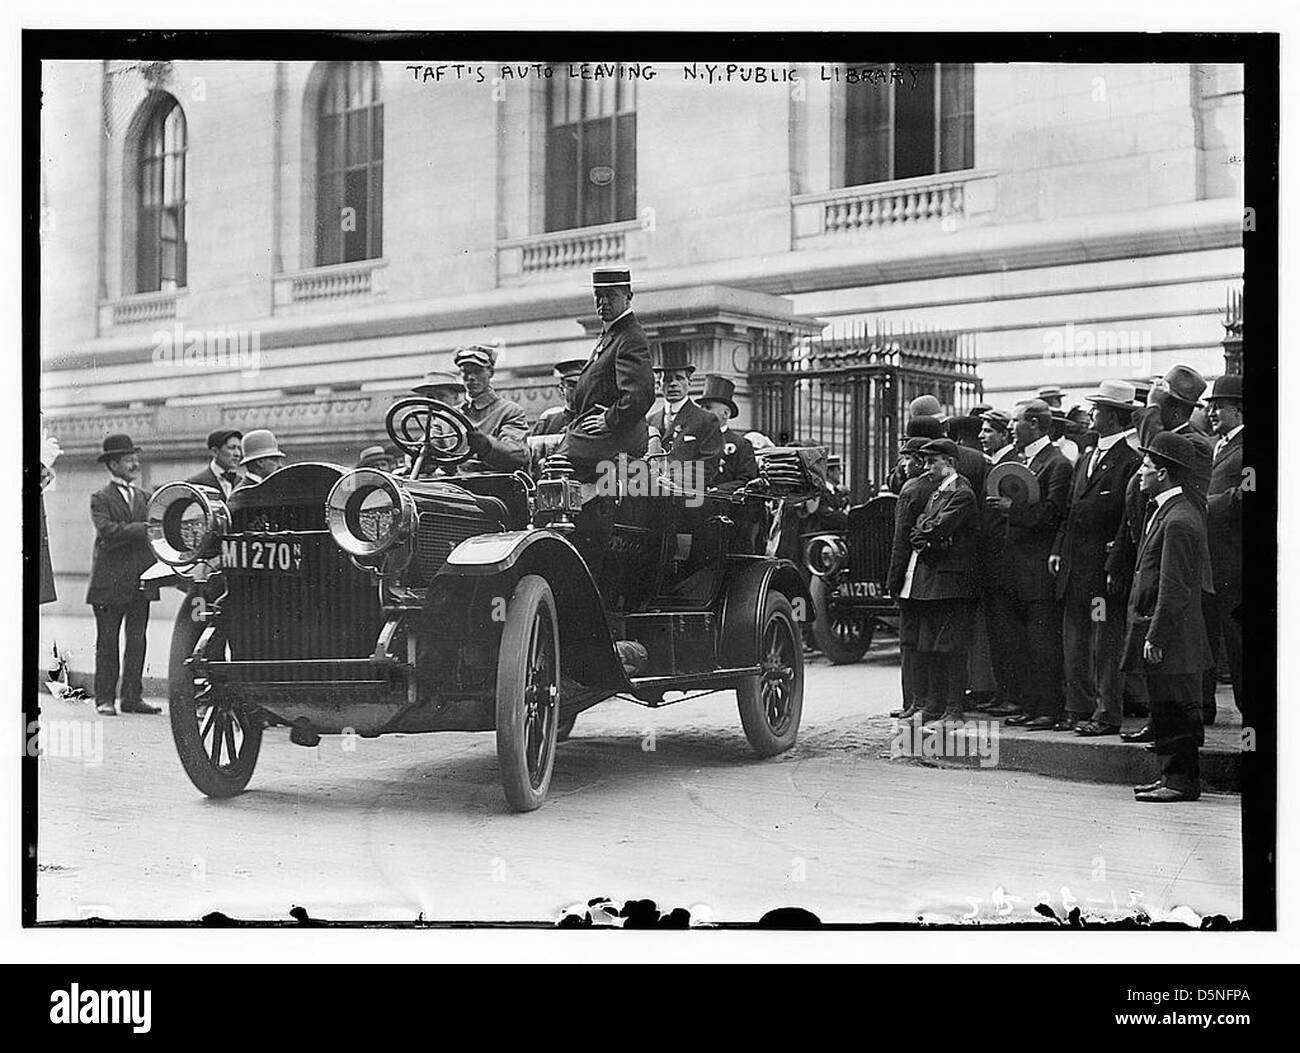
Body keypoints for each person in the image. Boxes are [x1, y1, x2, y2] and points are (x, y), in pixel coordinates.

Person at [1123, 432, 1214, 802]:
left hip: (1173, 635)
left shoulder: (1177, 519)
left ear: (1162, 473)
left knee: (1177, 708)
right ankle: (1170, 778)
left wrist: (1156, 637)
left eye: (1146, 466)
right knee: (1167, 706)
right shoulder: (1169, 511)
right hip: (1169, 631)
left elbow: (1174, 589)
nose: (1141, 472)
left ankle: (1180, 782)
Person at [1049, 380, 1140, 736]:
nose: (1091, 414)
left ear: (1115, 418)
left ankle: (1106, 713)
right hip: (1075, 567)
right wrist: (1059, 548)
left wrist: (1114, 566)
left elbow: (1126, 522)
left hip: (1102, 573)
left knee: (1104, 640)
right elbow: (1071, 510)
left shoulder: (1129, 462)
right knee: (1074, 638)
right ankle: (1078, 707)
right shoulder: (1087, 457)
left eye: (1098, 409)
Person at [993, 399, 1072, 729]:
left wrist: (1012, 509)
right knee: (1022, 643)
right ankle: (1029, 704)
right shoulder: (1019, 458)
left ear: (1036, 425)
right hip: (1016, 569)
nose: (1011, 427)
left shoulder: (1057, 464)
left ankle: (1049, 709)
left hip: (1039, 570)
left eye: (1016, 421)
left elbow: (1053, 514)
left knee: (1043, 643)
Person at [900, 438, 980, 726]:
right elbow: (920, 528)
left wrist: (927, 533)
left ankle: (953, 710)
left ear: (950, 463)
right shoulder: (938, 493)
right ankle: (934, 708)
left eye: (934, 461)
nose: (928, 466)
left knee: (951, 647)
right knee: (932, 646)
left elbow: (937, 527)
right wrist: (928, 534)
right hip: (935, 581)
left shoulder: (962, 493)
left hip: (953, 583)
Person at [556, 267, 656, 479]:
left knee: (556, 467)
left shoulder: (630, 337)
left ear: (628, 298)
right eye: (598, 296)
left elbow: (640, 395)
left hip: (614, 440)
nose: (603, 302)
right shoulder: (611, 335)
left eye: (611, 296)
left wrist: (609, 420)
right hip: (599, 439)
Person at [86, 434, 159, 716]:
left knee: (137, 641)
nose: (134, 463)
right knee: (108, 643)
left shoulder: (146, 497)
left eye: (135, 458)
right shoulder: (100, 498)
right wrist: (143, 528)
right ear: (113, 464)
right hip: (108, 585)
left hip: (140, 581)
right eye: (128, 459)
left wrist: (136, 529)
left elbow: (152, 529)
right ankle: (105, 699)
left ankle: (132, 698)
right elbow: (107, 531)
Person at [887, 437, 940, 719]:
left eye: (907, 459)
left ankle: (913, 702)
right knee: (930, 641)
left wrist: (893, 580)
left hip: (911, 575)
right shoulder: (942, 487)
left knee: (910, 641)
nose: (903, 465)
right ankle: (927, 702)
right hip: (934, 579)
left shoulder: (912, 489)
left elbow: (900, 541)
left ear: (919, 461)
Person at [978, 410, 1025, 716]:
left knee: (1009, 633)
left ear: (1004, 435)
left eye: (988, 431)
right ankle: (1003, 691)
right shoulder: (994, 464)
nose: (982, 436)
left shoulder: (1012, 467)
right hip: (994, 565)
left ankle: (1013, 695)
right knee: (998, 632)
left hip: (1006, 565)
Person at [1205, 374, 1244, 717]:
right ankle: (1202, 710)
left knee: (1238, 643)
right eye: (1211, 406)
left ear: (1239, 410)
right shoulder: (1215, 446)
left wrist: (1209, 503)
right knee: (1205, 638)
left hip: (1233, 563)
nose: (1212, 412)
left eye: (1219, 406)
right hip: (1209, 562)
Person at [646, 345, 724, 490]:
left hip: (686, 498)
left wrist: (672, 481)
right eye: (667, 380)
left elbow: (709, 464)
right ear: (658, 384)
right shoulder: (651, 420)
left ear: (689, 382)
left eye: (679, 378)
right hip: (653, 498)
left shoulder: (706, 420)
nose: (673, 384)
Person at [452, 344, 530, 473]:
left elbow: (518, 456)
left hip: (491, 486)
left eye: (477, 371)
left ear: (491, 373)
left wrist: (487, 445)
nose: (471, 378)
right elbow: (431, 453)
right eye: (465, 372)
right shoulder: (448, 416)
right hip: (448, 487)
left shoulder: (509, 411)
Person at [699, 374, 758, 493]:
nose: (702, 412)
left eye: (708, 407)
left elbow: (747, 479)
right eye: (701, 407)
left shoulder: (741, 444)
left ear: (725, 413)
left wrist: (718, 490)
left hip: (724, 505)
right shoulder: (695, 440)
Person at [530, 359, 586, 438]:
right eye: (572, 386)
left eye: (582, 384)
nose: (578, 389)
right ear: (561, 389)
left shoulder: (594, 420)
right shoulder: (548, 420)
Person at [186, 429, 243, 498]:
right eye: (231, 448)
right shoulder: (195, 484)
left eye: (239, 448)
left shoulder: (240, 482)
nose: (237, 454)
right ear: (215, 452)